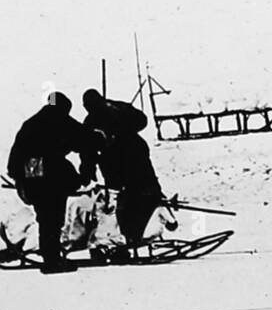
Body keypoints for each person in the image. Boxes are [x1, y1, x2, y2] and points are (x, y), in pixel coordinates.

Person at [6, 92, 97, 272]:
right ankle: (52, 260)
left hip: (31, 173)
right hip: (50, 175)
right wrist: (100, 138)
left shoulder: (31, 123)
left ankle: (51, 256)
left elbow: (16, 157)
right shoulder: (60, 120)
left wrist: (19, 179)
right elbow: (84, 138)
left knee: (46, 217)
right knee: (53, 218)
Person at [82, 90, 160, 246]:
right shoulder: (92, 120)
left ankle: (139, 230)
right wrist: (88, 168)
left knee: (139, 193)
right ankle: (125, 234)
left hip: (130, 157)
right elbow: (88, 148)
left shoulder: (116, 109)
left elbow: (141, 120)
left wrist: (121, 129)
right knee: (121, 198)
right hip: (115, 162)